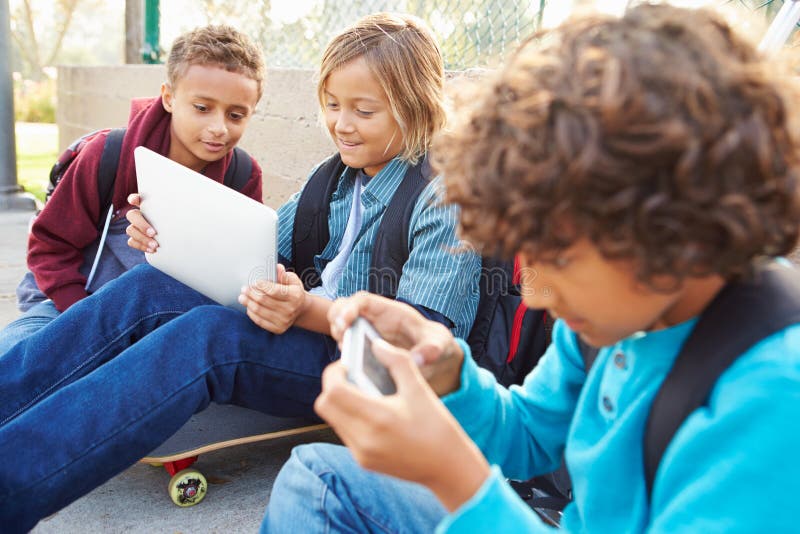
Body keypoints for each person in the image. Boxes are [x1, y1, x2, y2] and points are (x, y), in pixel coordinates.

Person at [262, 4, 800, 533]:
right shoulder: (606, 320)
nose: (539, 298)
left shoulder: (772, 398)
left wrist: (458, 479)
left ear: (675, 228)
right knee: (320, 476)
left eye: (557, 259)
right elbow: (529, 436)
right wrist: (451, 373)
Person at [0, 13, 479, 532]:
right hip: (306, 326)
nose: (342, 124)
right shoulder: (337, 177)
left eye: (364, 111)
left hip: (370, 370)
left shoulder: (444, 197)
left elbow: (426, 345)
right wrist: (165, 232)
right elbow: (250, 246)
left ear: (417, 110)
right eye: (333, 106)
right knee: (150, 286)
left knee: (208, 340)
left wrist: (309, 310)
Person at [0, 24, 266, 354]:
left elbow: (237, 276)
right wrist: (84, 325)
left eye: (236, 115)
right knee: (16, 359)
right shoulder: (106, 155)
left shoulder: (242, 176)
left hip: (165, 322)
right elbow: (49, 247)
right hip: (70, 303)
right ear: (169, 97)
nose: (218, 128)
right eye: (202, 107)